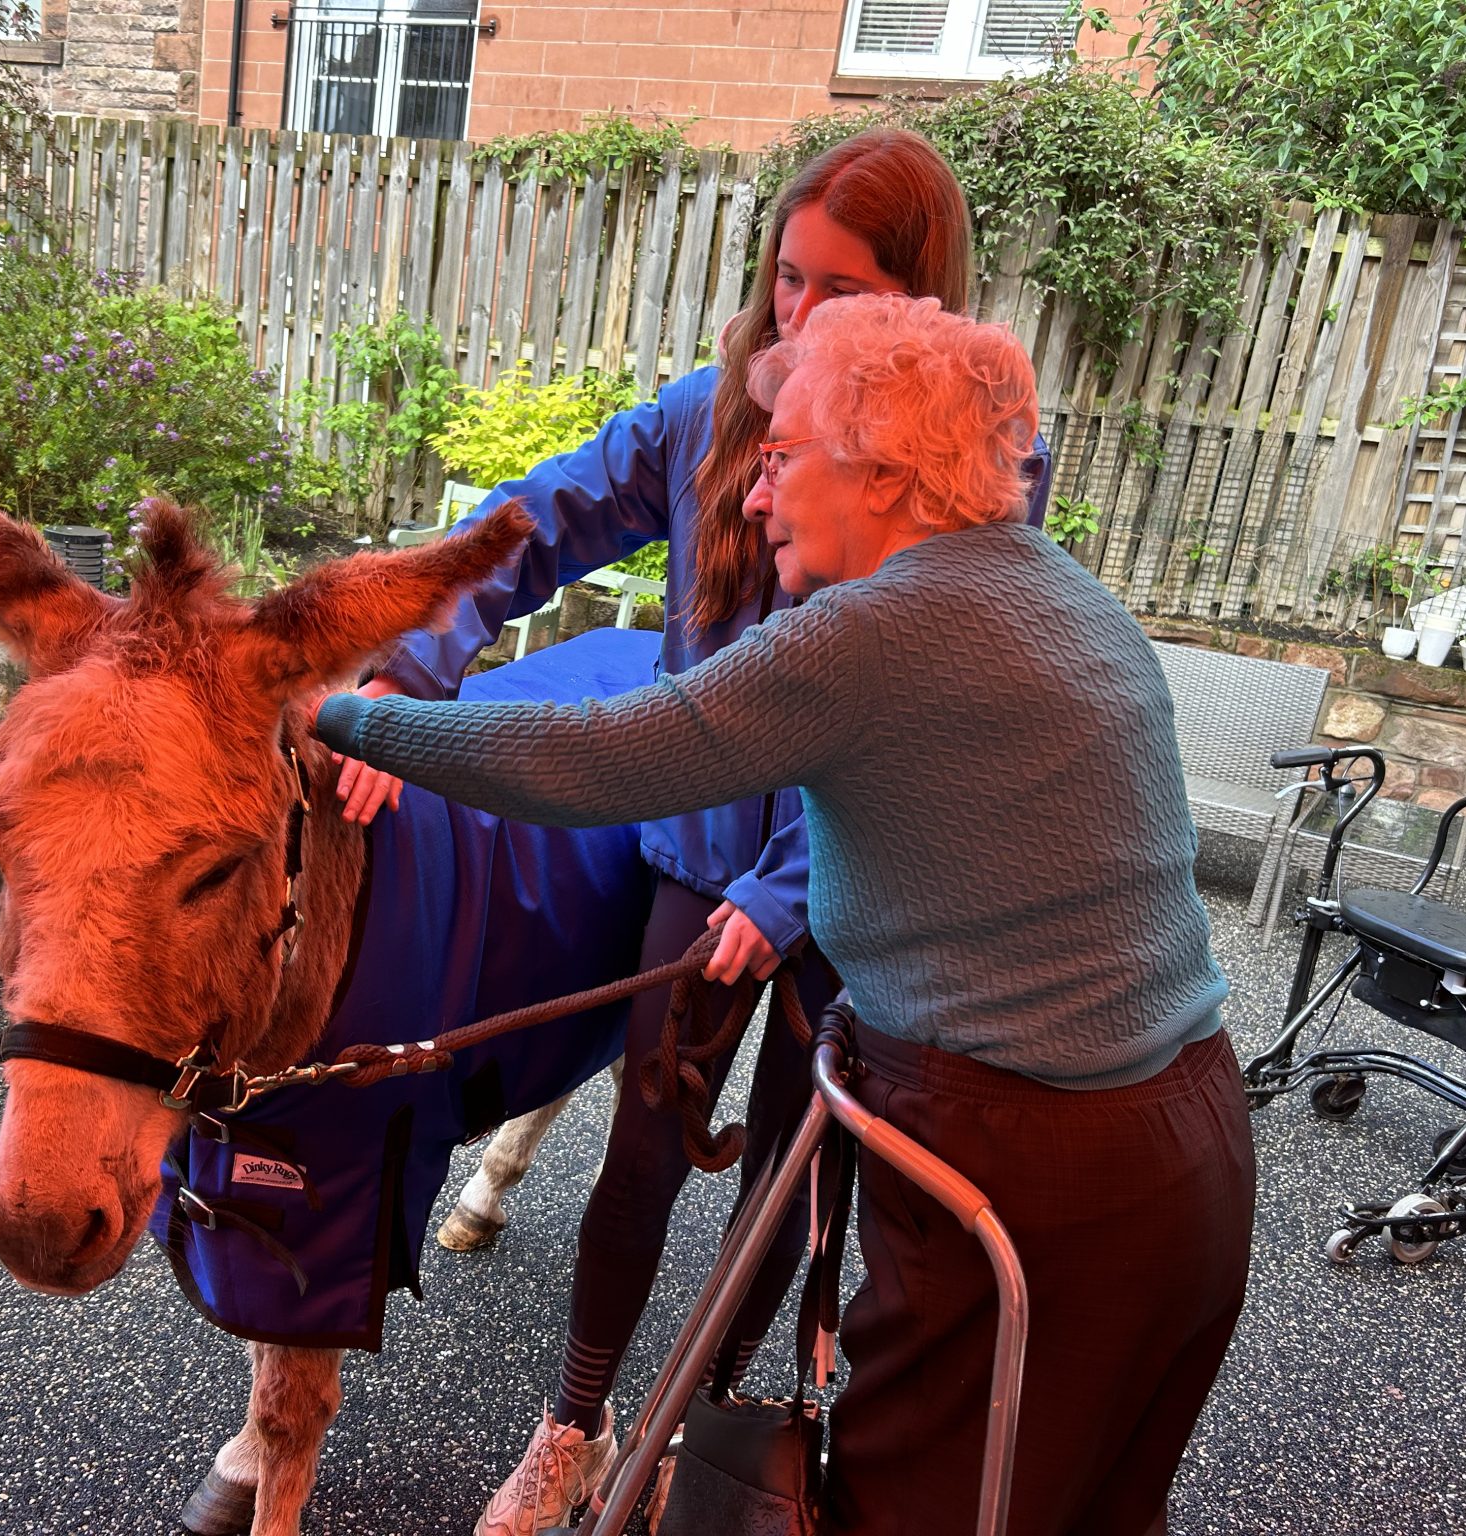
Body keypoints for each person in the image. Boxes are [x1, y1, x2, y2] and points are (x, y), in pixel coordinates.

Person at [315, 293, 1257, 1536]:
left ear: (877, 472)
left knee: (919, 1507)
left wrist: (333, 714)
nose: (750, 504)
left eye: (775, 462)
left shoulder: (872, 633)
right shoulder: (1059, 593)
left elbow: (599, 757)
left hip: (1029, 1164)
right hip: (1187, 1141)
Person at [332, 126, 1053, 1536]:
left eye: (843, 291)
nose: (804, 315)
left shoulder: (975, 463)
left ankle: (700, 1426)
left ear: (921, 304)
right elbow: (522, 529)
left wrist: (791, 893)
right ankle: (578, 1426)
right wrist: (401, 664)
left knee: (784, 1175)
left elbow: (928, 699)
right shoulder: (702, 414)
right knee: (642, 1151)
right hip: (696, 853)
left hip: (851, 877)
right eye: (790, 278)